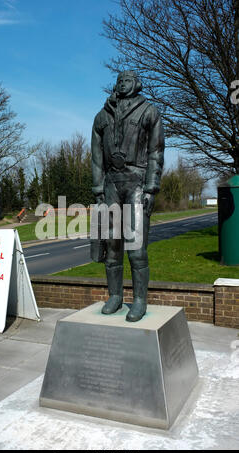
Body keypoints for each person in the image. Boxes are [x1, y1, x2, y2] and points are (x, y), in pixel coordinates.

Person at [91, 70, 165, 322]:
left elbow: (156, 152)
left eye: (127, 80)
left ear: (137, 84)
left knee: (136, 248)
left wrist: (151, 188)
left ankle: (140, 300)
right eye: (120, 80)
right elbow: (96, 157)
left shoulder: (149, 112)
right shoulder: (101, 117)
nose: (122, 84)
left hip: (137, 182)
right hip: (111, 183)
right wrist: (98, 190)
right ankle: (115, 296)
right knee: (112, 245)